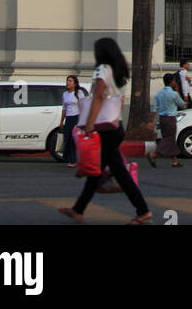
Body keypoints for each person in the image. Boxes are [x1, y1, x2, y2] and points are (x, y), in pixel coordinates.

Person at [59, 37, 152, 225]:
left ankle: (143, 211)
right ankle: (78, 209)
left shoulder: (102, 70)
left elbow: (98, 96)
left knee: (119, 172)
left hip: (105, 129)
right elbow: (118, 100)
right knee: (97, 171)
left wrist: (90, 123)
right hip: (114, 125)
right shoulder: (119, 73)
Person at [149, 73, 183, 169]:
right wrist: (179, 92)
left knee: (170, 139)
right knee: (169, 139)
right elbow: (182, 104)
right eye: (174, 81)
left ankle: (175, 161)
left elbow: (154, 109)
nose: (175, 82)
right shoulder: (174, 94)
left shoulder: (159, 94)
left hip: (162, 119)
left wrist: (151, 121)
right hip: (170, 119)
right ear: (172, 82)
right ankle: (153, 154)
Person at [60, 75, 85, 167]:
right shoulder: (65, 94)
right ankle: (69, 157)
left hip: (76, 117)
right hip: (68, 118)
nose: (68, 83)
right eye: (67, 81)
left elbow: (83, 107)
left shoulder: (79, 93)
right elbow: (64, 108)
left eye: (70, 81)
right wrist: (61, 121)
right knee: (67, 138)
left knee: (74, 139)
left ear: (75, 83)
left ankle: (73, 160)